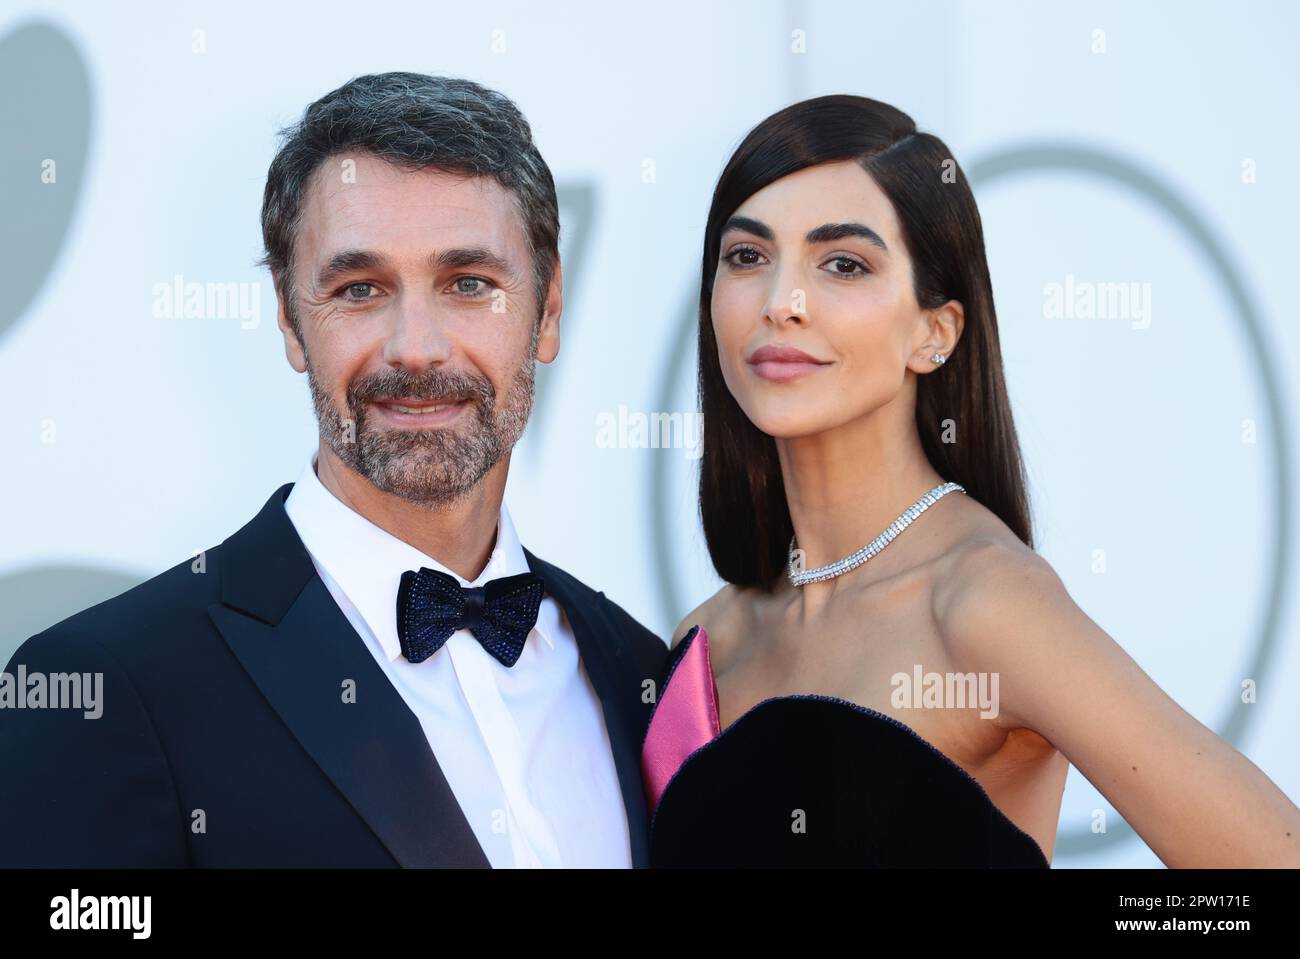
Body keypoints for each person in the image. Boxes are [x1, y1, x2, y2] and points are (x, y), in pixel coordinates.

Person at [0, 72, 668, 868]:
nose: (415, 347)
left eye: (468, 284)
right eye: (360, 289)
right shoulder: (104, 688)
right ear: (289, 319)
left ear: (548, 309)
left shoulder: (641, 672)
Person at [640, 94, 1300, 868]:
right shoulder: (707, 639)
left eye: (843, 263)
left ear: (936, 331)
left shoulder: (984, 602)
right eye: (747, 256)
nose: (781, 303)